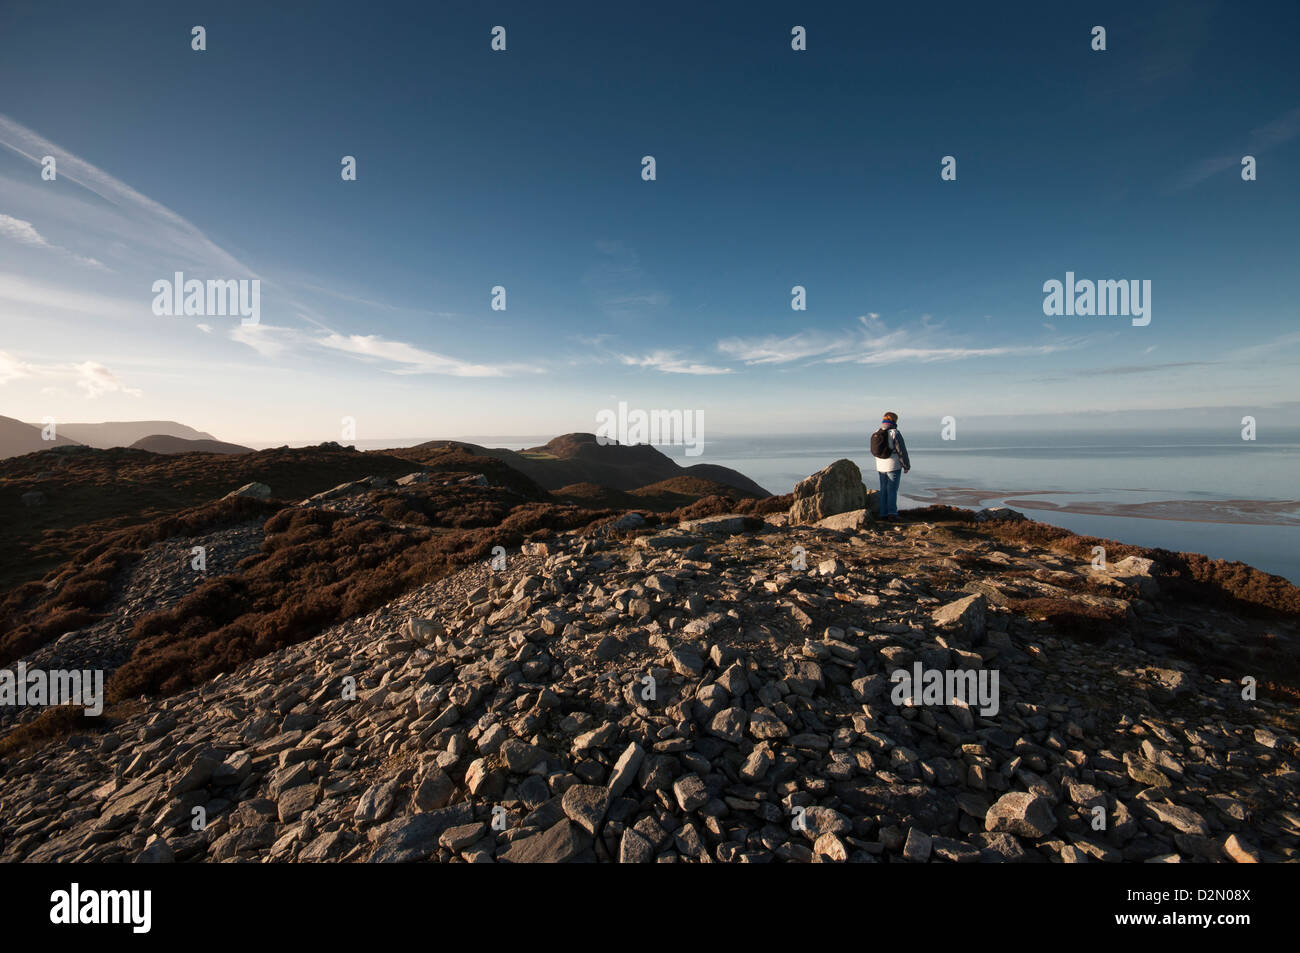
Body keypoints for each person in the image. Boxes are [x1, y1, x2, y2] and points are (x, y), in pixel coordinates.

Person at [870, 411, 910, 521]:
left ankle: (883, 514)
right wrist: (906, 465)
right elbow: (901, 451)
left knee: (883, 489)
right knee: (892, 490)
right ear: (894, 420)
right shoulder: (894, 433)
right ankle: (892, 513)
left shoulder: (876, 432)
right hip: (893, 465)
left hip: (880, 465)